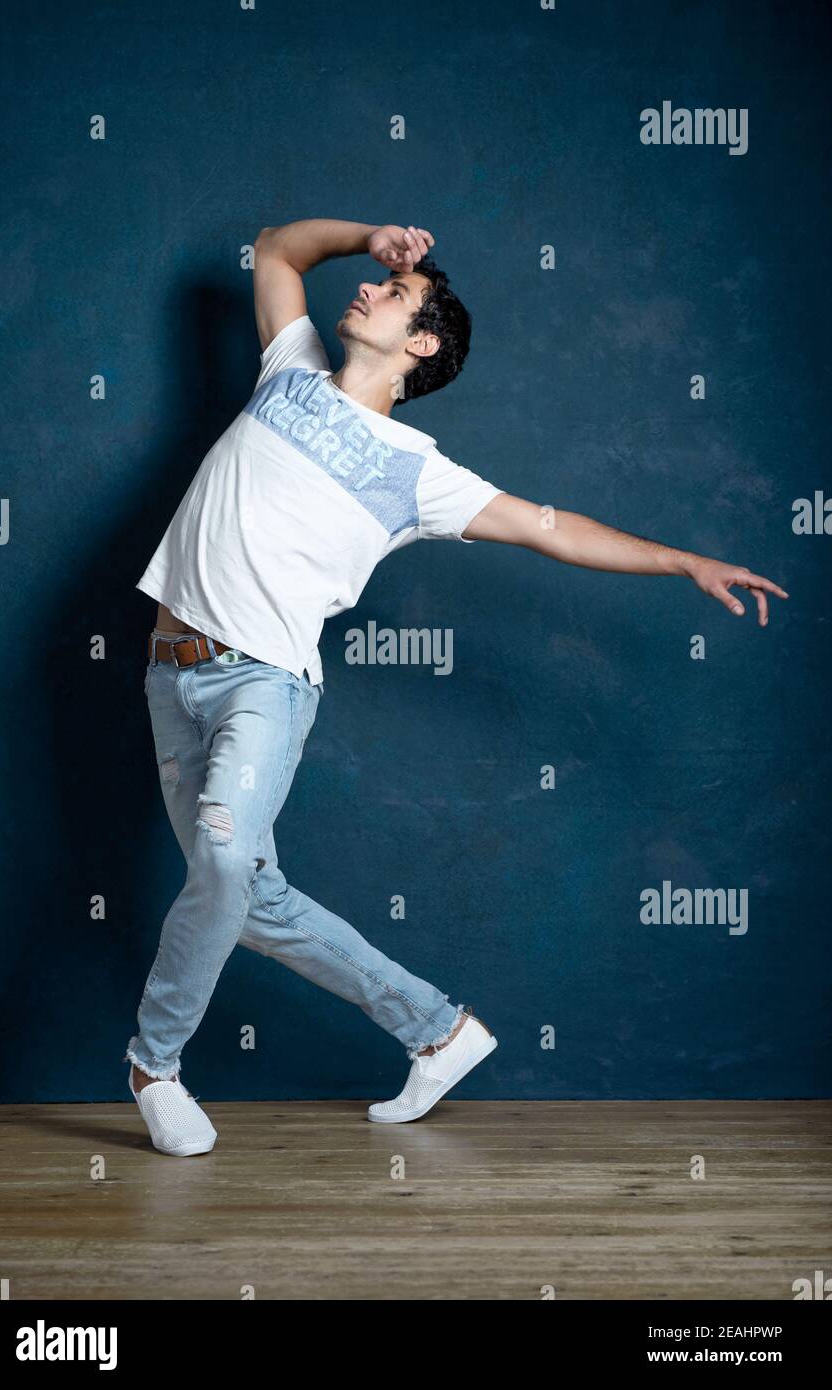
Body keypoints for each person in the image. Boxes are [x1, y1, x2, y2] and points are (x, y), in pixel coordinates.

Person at [124, 220, 788, 1156]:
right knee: (253, 900)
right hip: (168, 676)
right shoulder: (292, 368)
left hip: (262, 689)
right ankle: (438, 1030)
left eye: (394, 294)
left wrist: (683, 562)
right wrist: (370, 237)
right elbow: (277, 250)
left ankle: (155, 1064)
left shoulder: (419, 475)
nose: (368, 289)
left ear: (421, 345)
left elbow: (553, 528)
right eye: (377, 283)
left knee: (224, 868)